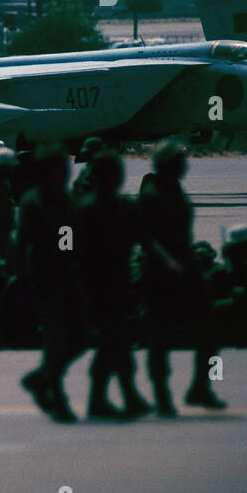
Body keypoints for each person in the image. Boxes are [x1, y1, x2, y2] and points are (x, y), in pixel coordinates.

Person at [138, 139, 224, 413]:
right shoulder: (151, 193)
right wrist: (168, 262)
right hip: (159, 275)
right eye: (179, 161)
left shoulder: (175, 189)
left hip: (186, 271)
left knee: (210, 332)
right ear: (168, 165)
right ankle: (162, 395)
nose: (185, 165)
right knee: (159, 337)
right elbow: (146, 238)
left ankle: (202, 386)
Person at [75, 149, 152, 420]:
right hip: (100, 288)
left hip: (112, 286)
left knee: (116, 342)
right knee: (114, 341)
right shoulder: (91, 210)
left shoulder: (95, 209)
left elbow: (145, 241)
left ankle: (119, 397)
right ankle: (115, 398)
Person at [17, 144, 86, 422]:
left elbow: (69, 240)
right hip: (44, 281)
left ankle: (40, 377)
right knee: (56, 339)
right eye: (59, 169)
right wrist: (24, 283)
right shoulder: (33, 203)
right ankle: (57, 396)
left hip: (68, 279)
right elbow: (23, 246)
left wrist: (74, 263)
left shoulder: (66, 201)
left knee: (79, 340)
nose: (65, 174)